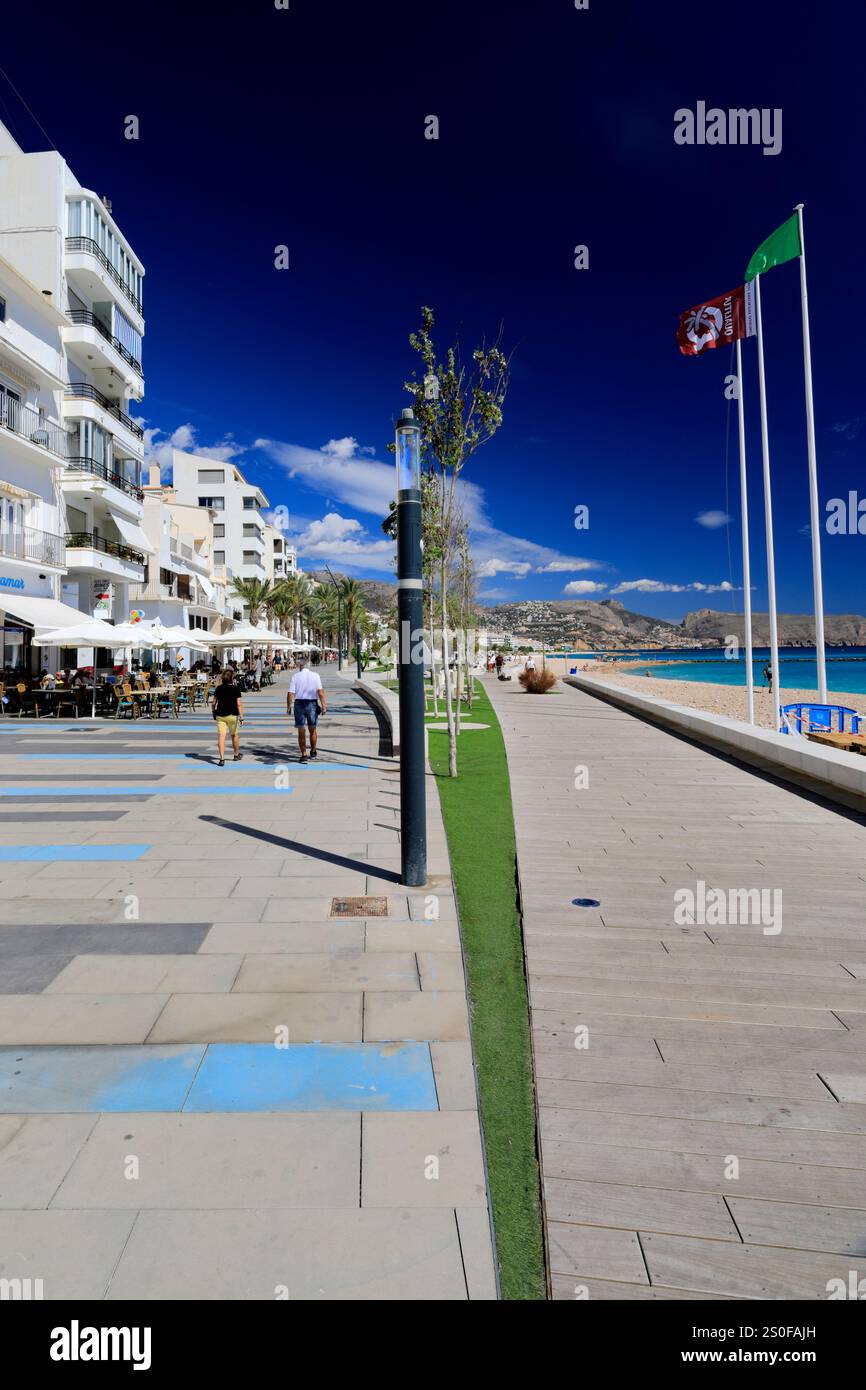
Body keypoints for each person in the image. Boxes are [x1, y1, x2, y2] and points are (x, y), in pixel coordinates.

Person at [287, 658, 326, 764]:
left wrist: (288, 707)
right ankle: (313, 751)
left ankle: (304, 754)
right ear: (309, 666)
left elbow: (290, 693)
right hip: (312, 703)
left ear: (300, 666)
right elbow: (320, 692)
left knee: (301, 730)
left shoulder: (295, 676)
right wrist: (324, 705)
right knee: (312, 729)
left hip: (299, 703)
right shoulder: (316, 676)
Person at [211, 670, 244, 766]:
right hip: (232, 715)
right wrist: (241, 717)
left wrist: (213, 712)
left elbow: (213, 703)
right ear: (232, 678)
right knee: (234, 735)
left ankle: (221, 759)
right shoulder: (235, 689)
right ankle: (236, 754)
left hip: (220, 715)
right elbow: (239, 704)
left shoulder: (218, 688)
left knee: (221, 736)